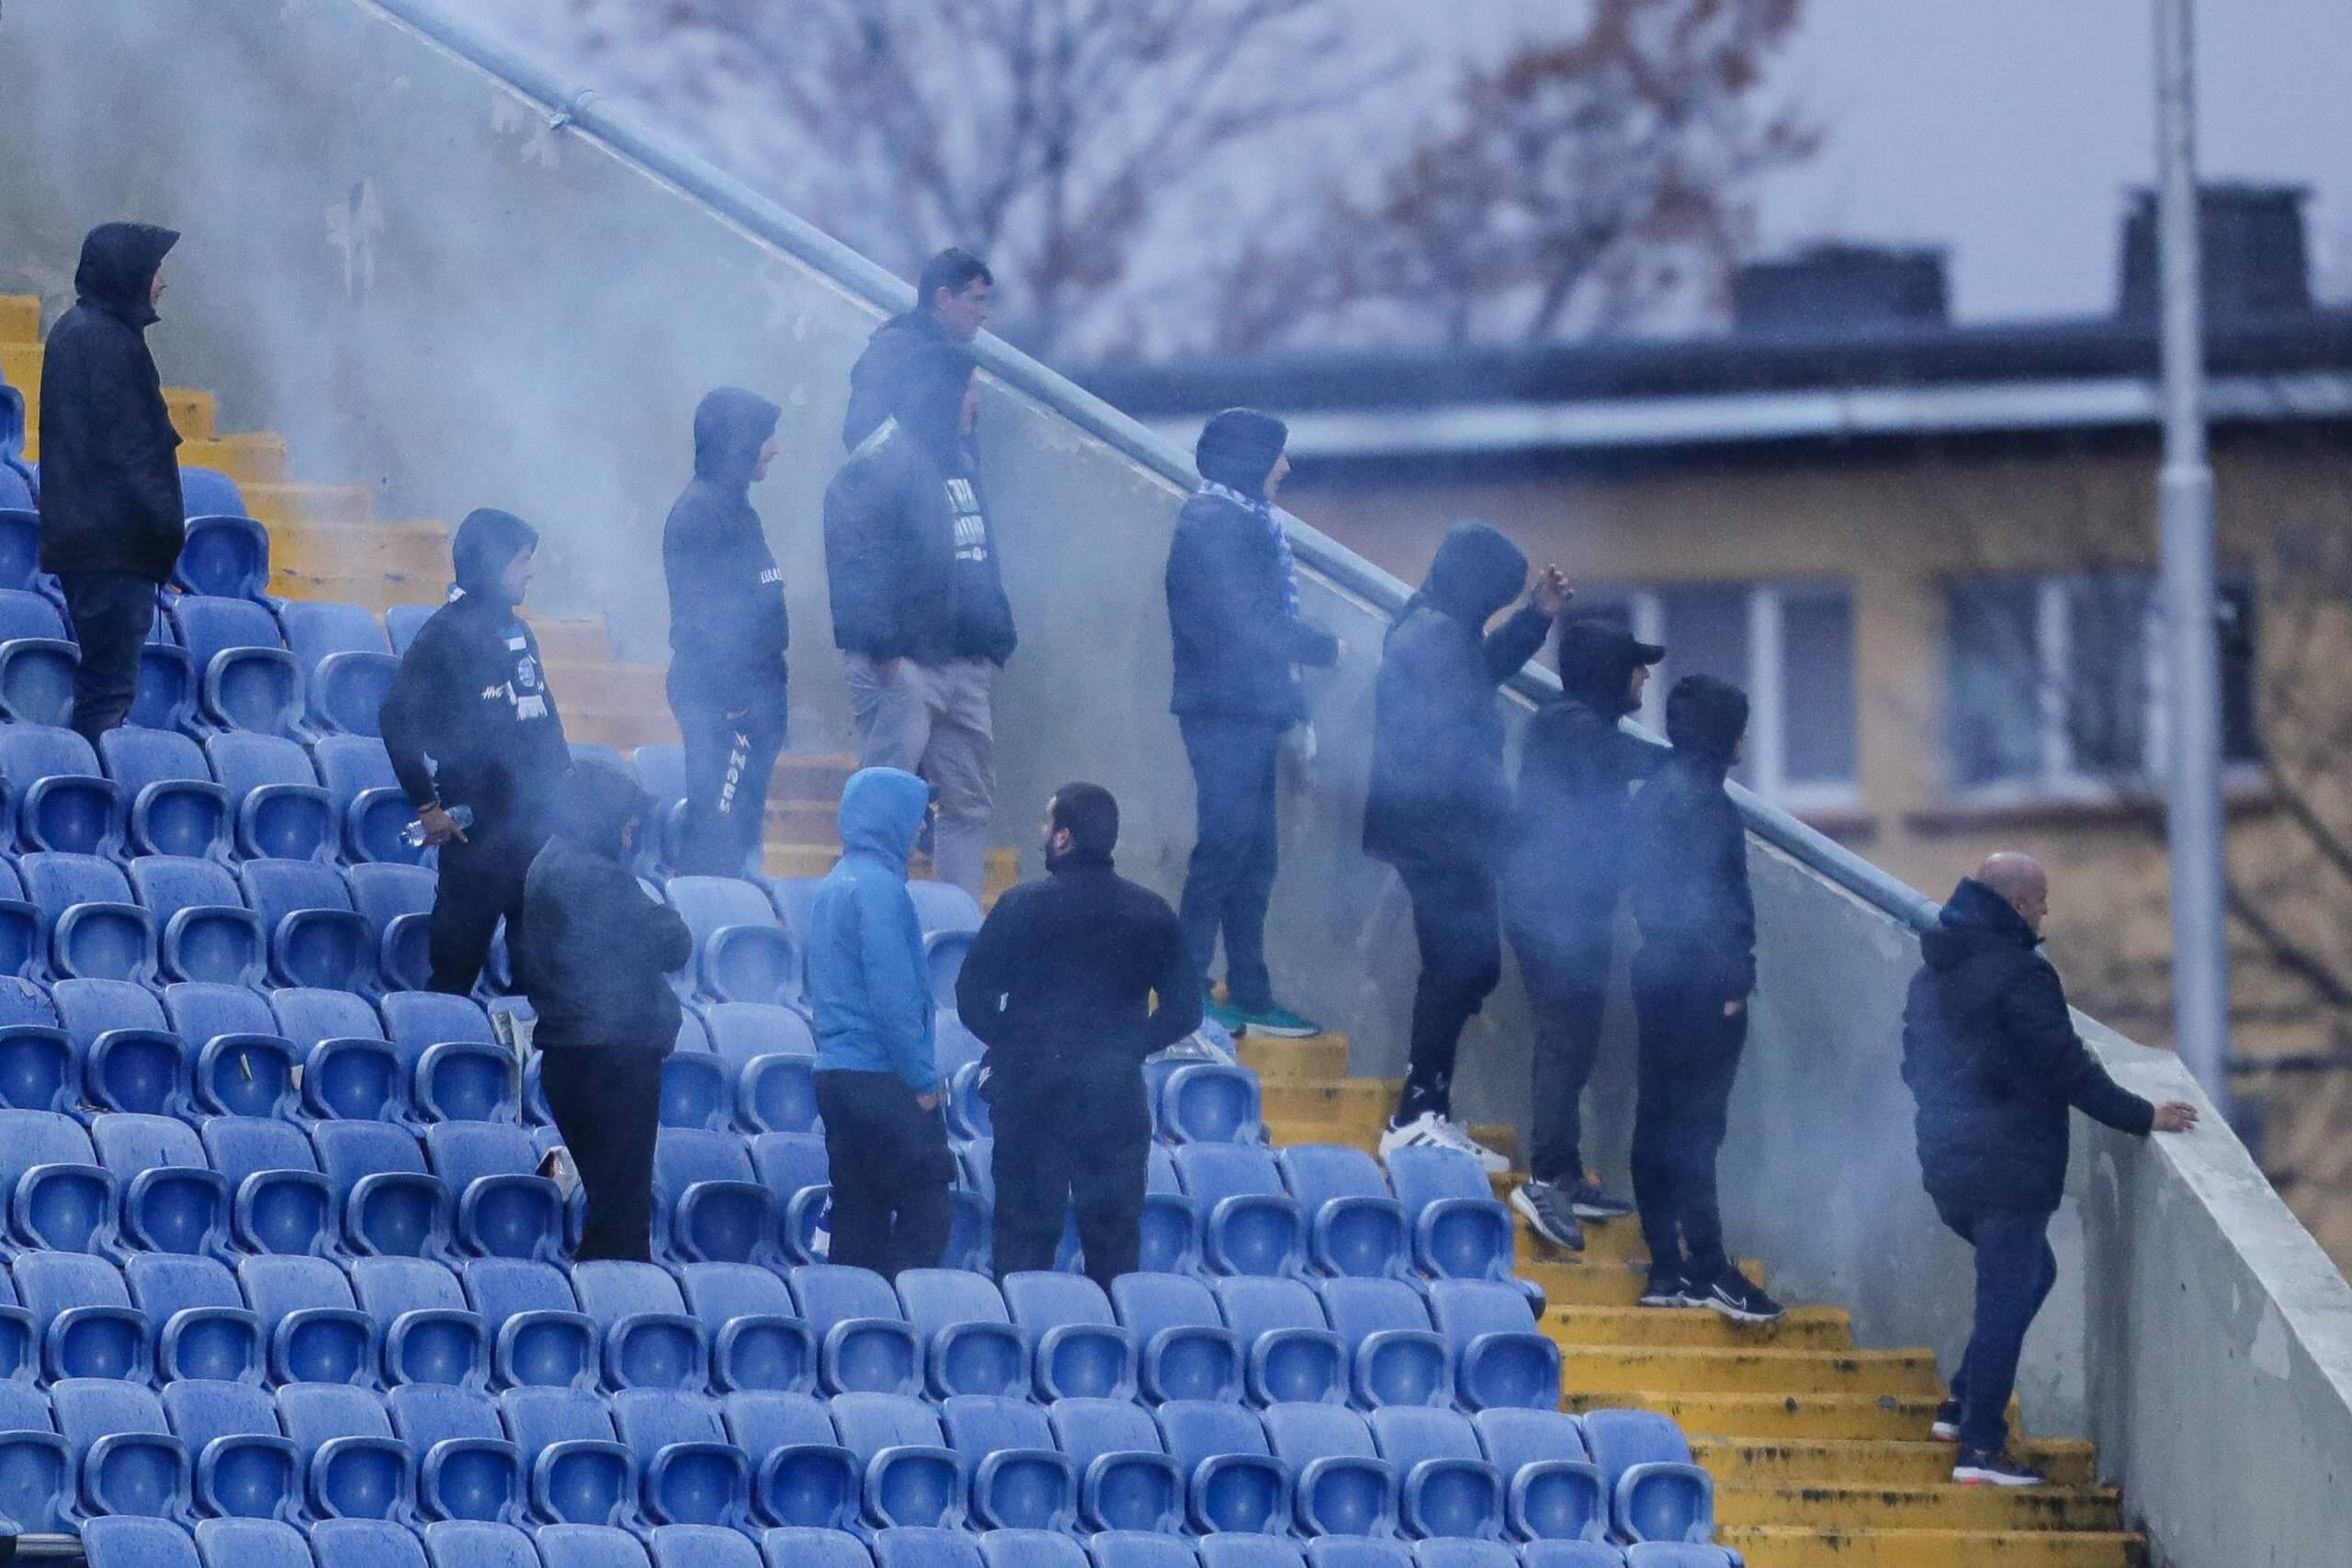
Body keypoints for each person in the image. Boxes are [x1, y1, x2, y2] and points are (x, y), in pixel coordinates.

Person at [1902, 852, 2199, 1486]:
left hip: (1949, 1163)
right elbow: (2068, 1068)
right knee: (2010, 1291)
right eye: (2041, 899)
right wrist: (2143, 1115)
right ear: (2017, 904)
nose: (2046, 911)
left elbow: (1913, 1066)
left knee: (2032, 1273)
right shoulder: (2023, 974)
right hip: (2011, 1170)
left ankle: (1959, 1407)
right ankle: (1980, 1448)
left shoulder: (1932, 975)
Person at [1366, 519, 1568, 1171]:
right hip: (1440, 834)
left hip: (1437, 832)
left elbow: (1476, 672)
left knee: (1468, 963)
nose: (1496, 607)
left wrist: (1535, 621)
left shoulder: (1437, 627)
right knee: (1462, 964)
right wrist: (1512, 826)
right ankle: (1416, 1112)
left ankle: (1425, 1106)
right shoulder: (1434, 638)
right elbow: (1456, 752)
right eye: (1499, 596)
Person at [956, 784, 1201, 1292]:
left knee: (1024, 1243)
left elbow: (971, 995)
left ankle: (1020, 1354)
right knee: (1113, 1246)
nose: (1042, 834)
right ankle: (1107, 1355)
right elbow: (1186, 1012)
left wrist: (1014, 1044)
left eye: (1047, 826)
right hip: (1113, 1099)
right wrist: (1128, 1047)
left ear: (1064, 837)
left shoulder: (1021, 905)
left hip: (1031, 1097)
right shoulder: (1151, 912)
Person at [1165, 408, 1340, 1039]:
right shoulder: (1212, 524)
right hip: (1222, 714)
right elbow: (1247, 624)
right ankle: (1187, 988)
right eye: (1277, 455)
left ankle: (1249, 988)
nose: (1285, 468)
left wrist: (1293, 709)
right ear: (1249, 459)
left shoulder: (1244, 521)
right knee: (1224, 848)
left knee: (1254, 856)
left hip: (1251, 712)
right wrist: (1324, 648)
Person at [823, 341, 1016, 902]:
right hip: (904, 665)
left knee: (969, 804)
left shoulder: (959, 456)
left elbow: (976, 552)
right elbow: (852, 561)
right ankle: (863, 913)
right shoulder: (877, 462)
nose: (976, 402)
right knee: (881, 810)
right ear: (944, 392)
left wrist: (991, 634)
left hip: (965, 660)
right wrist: (889, 657)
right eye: (970, 389)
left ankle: (954, 933)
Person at [1502, 616, 1667, 1250]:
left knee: (1572, 1038)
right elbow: (1626, 760)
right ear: (1609, 671)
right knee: (1565, 1039)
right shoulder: (1570, 726)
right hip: (1554, 910)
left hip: (1568, 908)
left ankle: (1561, 1167)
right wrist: (1691, 757)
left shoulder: (1577, 727)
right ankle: (1553, 1172)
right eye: (1636, 665)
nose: (1645, 676)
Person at [1623, 673, 1781, 1324]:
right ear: (1723, 734)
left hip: (1659, 970)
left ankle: (1667, 1266)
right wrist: (1729, 985)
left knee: (1658, 1116)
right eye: (1739, 725)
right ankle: (1708, 1264)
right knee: (1695, 1128)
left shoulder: (1656, 793)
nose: (1745, 737)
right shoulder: (1707, 806)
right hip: (1700, 984)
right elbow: (1715, 904)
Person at [379, 508, 571, 996]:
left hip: (535, 834)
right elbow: (396, 720)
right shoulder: (444, 635)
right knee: (455, 972)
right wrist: (427, 807)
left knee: (541, 979)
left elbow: (545, 720)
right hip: (476, 839)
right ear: (492, 563)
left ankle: (522, 1069)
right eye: (522, 560)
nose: (530, 571)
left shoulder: (519, 634)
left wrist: (566, 794)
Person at [517, 757, 694, 1264]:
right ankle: (617, 1321)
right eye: (626, 815)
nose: (633, 826)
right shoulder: (595, 877)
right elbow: (673, 942)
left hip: (576, 1055)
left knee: (613, 1206)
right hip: (610, 1060)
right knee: (622, 1213)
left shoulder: (551, 861)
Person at [36, 221, 184, 746]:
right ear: (130, 273)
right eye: (155, 268)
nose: (163, 280)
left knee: (106, 689)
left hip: (98, 548)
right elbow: (136, 457)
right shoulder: (109, 343)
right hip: (113, 553)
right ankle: (95, 791)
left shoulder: (81, 333)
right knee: (109, 695)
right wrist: (167, 541)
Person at [808, 766, 953, 1281]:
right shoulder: (881, 892)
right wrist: (921, 1081)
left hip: (836, 1074)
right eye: (916, 814)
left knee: (858, 1215)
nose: (921, 827)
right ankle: (895, 1317)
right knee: (928, 1208)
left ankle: (853, 1321)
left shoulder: (833, 884)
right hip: (882, 1074)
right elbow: (894, 997)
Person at [663, 386, 787, 878]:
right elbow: (700, 621)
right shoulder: (700, 513)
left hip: (750, 704)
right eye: (766, 436)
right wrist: (735, 700)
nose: (775, 448)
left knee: (738, 836)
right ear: (739, 441)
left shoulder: (736, 509)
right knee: (717, 835)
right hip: (725, 704)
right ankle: (704, 929)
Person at [842, 247, 994, 450]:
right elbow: (860, 431)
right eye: (976, 300)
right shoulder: (894, 348)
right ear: (944, 298)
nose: (983, 313)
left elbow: (960, 453)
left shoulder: (958, 365)